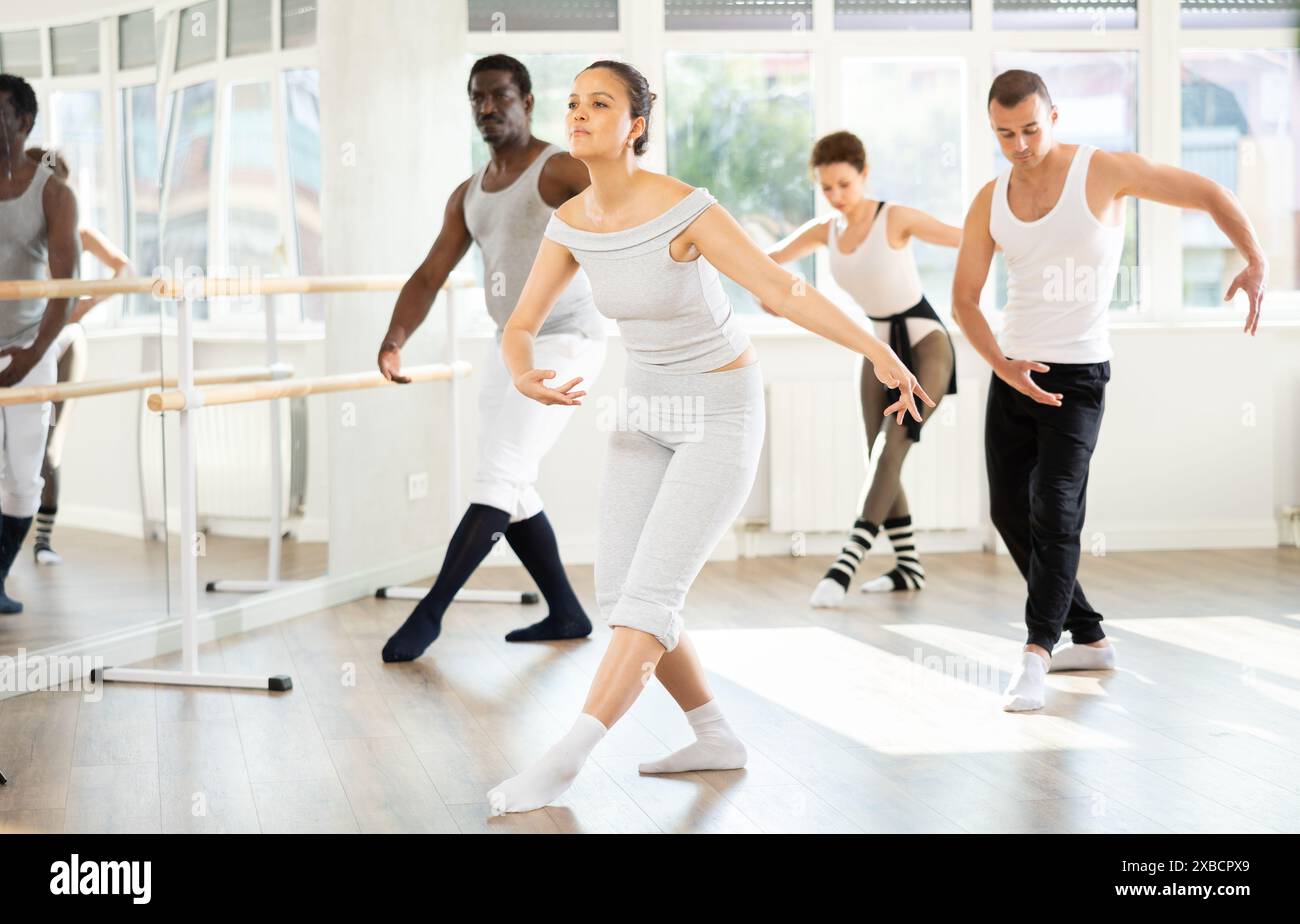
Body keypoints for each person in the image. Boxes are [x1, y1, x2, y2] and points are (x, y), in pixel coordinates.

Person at [486, 60, 931, 815]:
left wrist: (879, 349)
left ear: (635, 126)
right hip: (646, 412)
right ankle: (714, 731)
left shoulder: (685, 208)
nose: (579, 114)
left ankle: (569, 754)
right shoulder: (572, 223)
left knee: (650, 598)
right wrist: (525, 370)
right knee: (621, 592)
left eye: (601, 103)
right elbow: (521, 322)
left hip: (720, 412)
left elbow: (780, 288)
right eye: (573, 104)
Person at [951, 70, 1266, 712]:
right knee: (1009, 513)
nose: (1021, 145)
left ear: (1055, 116)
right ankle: (1089, 637)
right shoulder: (990, 199)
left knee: (1056, 509)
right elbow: (963, 298)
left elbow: (1209, 191)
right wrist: (1003, 365)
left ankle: (1036, 654)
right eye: (1005, 134)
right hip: (1015, 375)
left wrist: (1256, 259)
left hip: (1077, 378)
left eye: (1031, 129)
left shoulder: (1104, 171)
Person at [379, 55, 608, 661]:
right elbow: (431, 274)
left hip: (569, 340)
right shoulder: (469, 195)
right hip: (511, 344)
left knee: (499, 472)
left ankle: (430, 613)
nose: (487, 108)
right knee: (512, 477)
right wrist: (395, 337)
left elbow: (623, 208)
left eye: (500, 96)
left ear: (527, 102)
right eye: (477, 98)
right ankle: (565, 610)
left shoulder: (557, 168)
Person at [766, 130, 961, 607]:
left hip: (924, 341)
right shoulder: (823, 230)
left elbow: (967, 239)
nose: (835, 197)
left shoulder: (893, 218)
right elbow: (762, 263)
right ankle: (908, 566)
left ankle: (844, 565)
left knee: (892, 448)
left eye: (844, 185)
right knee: (876, 454)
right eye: (826, 187)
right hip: (876, 349)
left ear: (864, 175)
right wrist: (766, 292)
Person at [25, 146, 133, 565]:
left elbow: (124, 267)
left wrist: (84, 305)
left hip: (64, 343)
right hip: (24, 343)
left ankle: (43, 541)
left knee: (47, 444)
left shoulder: (79, 233)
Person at [0, 74, 80, 613]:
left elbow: (67, 289)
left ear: (23, 122)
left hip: (29, 345)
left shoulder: (52, 192)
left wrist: (32, 355)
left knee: (23, 474)